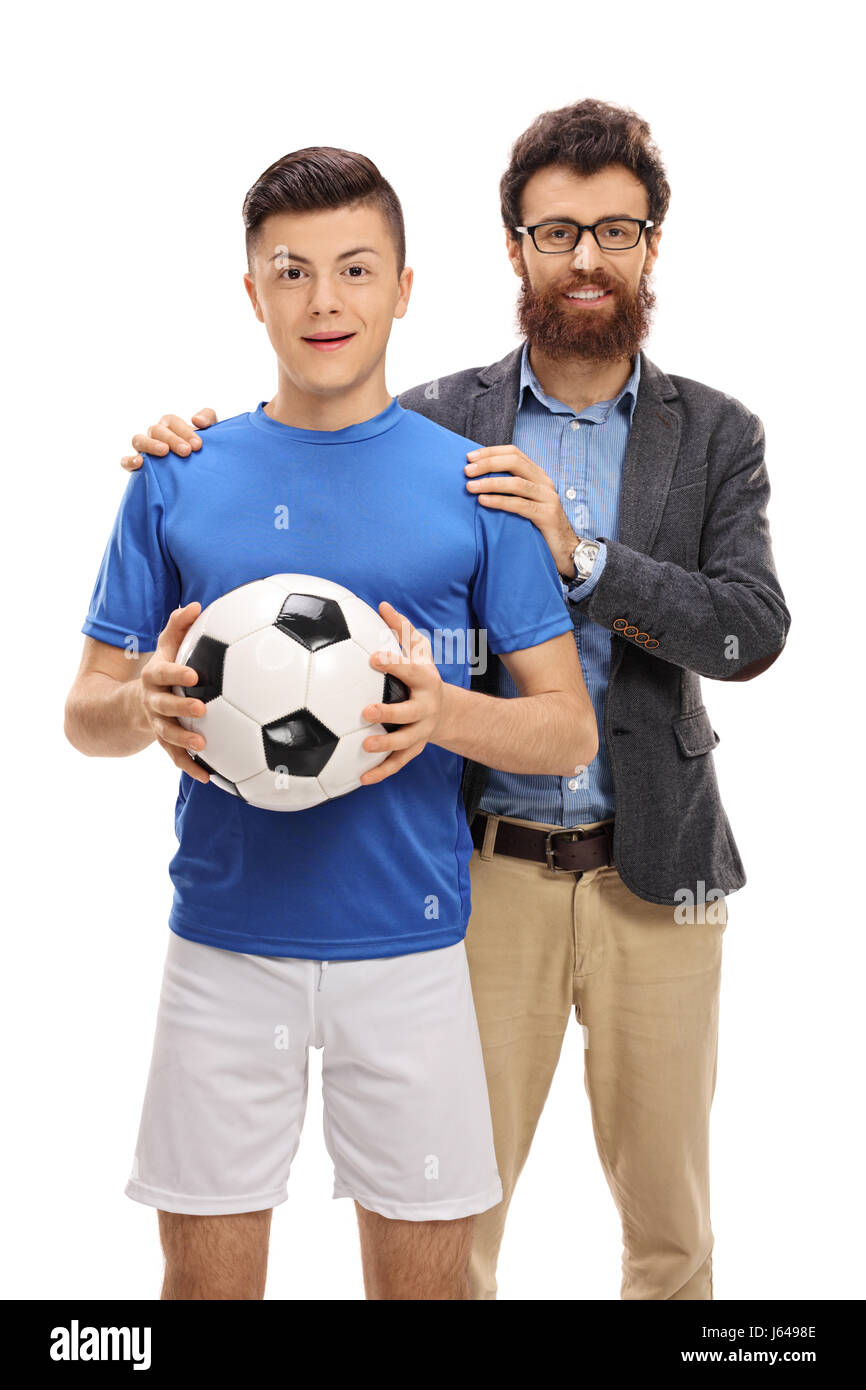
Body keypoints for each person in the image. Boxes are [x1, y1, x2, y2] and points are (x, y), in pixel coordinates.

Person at [117, 99, 792, 1301]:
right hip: (473, 869)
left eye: (616, 230)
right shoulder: (437, 421)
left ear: (652, 245)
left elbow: (749, 631)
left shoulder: (716, 434)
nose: (585, 258)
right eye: (553, 232)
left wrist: (581, 558)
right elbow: (324, 449)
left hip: (661, 866)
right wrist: (193, 446)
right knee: (456, 1231)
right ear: (512, 250)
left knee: (674, 1231)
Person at [64, 145, 599, 1301]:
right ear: (250, 289)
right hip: (220, 941)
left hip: (409, 952)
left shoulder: (474, 487)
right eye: (291, 271)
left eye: (355, 269)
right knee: (201, 1292)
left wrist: (445, 714)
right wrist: (141, 706)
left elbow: (566, 732)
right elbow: (83, 715)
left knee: (423, 1288)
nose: (323, 301)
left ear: (403, 287)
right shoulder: (178, 474)